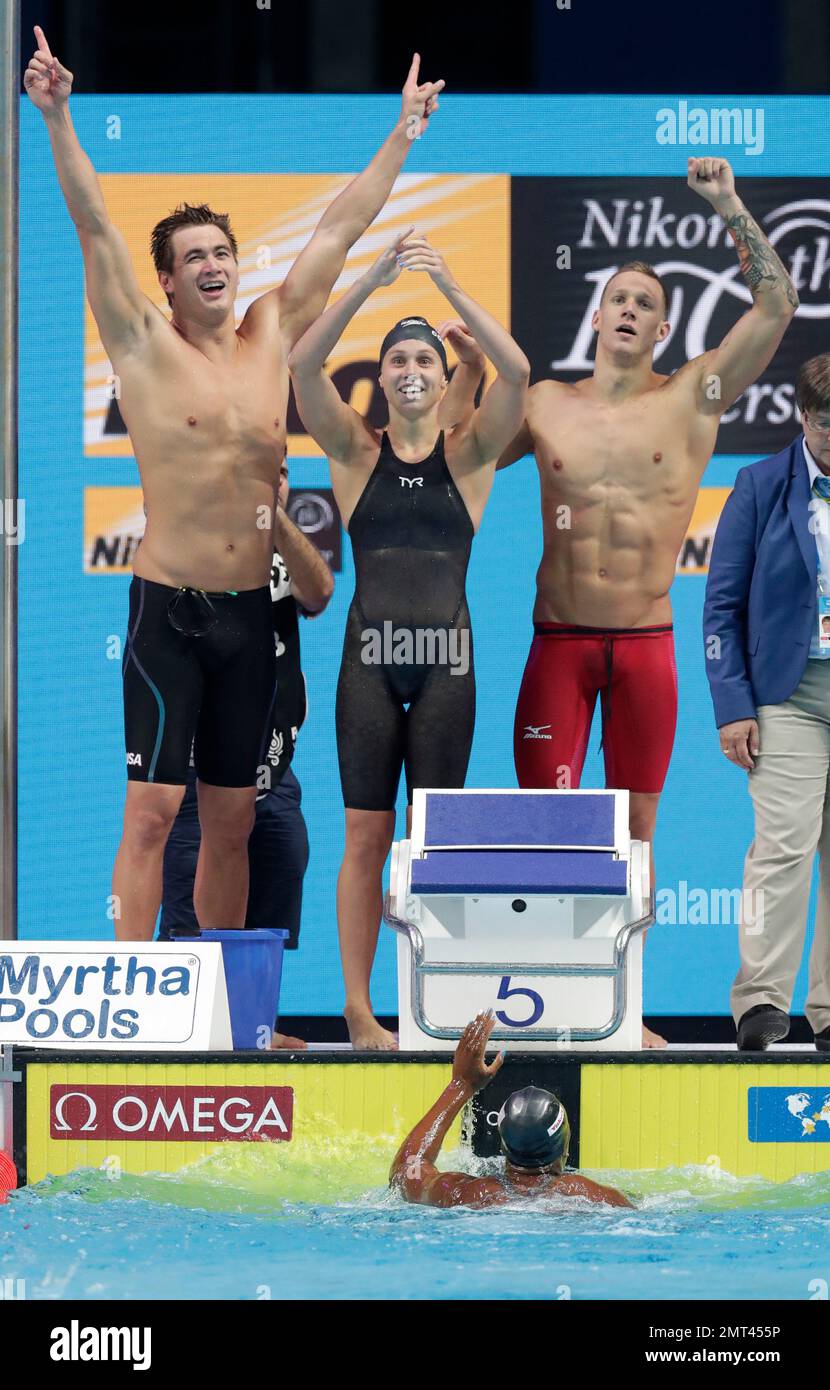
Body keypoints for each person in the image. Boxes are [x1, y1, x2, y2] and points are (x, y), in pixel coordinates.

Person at [25, 29, 444, 940]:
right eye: (195, 258)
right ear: (167, 282)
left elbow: (341, 226)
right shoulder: (140, 341)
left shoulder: (271, 334)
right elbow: (94, 222)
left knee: (233, 822)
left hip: (251, 613)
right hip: (168, 607)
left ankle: (220, 1010)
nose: (215, 265)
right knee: (150, 815)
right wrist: (57, 115)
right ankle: (131, 1001)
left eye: (224, 252)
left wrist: (403, 134)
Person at [497, 157, 799, 1047]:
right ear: (597, 315)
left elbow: (776, 307)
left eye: (646, 306)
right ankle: (549, 1005)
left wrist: (730, 206)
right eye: (618, 299)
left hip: (646, 649)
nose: (629, 312)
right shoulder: (544, 403)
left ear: (663, 331)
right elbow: (453, 464)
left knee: (635, 838)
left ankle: (621, 1009)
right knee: (555, 837)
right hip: (556, 644)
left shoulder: (694, 397)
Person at [288, 234, 530, 1049]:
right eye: (397, 361)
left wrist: (453, 288)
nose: (411, 370)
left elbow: (519, 373)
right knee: (365, 837)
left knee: (433, 846)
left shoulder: (472, 458)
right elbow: (303, 365)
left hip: (446, 672)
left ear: (442, 372)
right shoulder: (358, 453)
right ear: (384, 377)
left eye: (425, 358)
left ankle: (432, 1008)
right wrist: (371, 281)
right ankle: (360, 1011)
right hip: (368, 666)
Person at [159, 451, 333, 1049]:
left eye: (278, 471)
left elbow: (320, 593)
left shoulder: (283, 549)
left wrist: (277, 517)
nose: (268, 480)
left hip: (273, 771)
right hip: (198, 773)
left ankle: (250, 1025)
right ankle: (184, 1028)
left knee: (279, 879)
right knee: (190, 916)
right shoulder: (198, 543)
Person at [703, 354, 830, 1053]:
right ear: (801, 416)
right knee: (782, 850)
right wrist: (732, 704)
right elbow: (719, 607)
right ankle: (760, 1002)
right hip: (788, 696)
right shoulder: (757, 486)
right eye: (824, 420)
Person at [389, 1011, 632, 1208]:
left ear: (503, 1144)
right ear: (565, 1146)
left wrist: (461, 1085)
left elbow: (406, 1170)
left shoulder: (467, 1193)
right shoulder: (595, 1197)